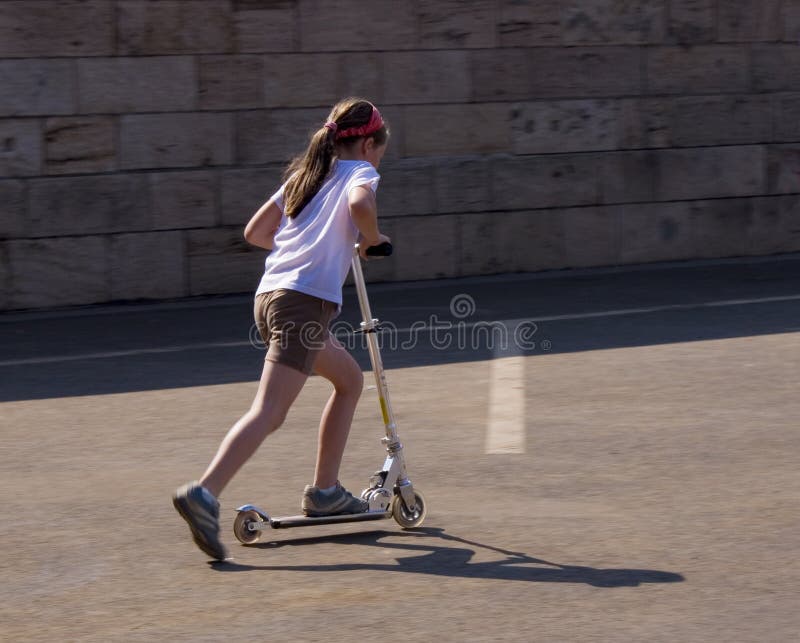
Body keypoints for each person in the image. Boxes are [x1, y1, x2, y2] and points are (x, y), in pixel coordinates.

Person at [173, 98, 391, 561]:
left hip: (270, 296)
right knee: (269, 412)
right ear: (369, 144)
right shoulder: (359, 173)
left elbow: (255, 232)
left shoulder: (305, 176)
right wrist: (371, 240)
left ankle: (326, 492)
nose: (378, 158)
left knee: (349, 381)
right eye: (379, 150)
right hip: (302, 304)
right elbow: (360, 204)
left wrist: (313, 243)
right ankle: (204, 493)